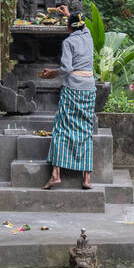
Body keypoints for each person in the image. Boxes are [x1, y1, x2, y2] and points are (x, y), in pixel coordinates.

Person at [44, 11, 97, 189]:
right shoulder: (88, 35)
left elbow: (66, 68)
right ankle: (87, 178)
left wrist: (53, 73)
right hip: (89, 89)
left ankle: (56, 175)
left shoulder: (69, 42)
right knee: (86, 129)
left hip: (73, 88)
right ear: (82, 25)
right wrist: (69, 14)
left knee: (61, 128)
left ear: (68, 27)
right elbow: (82, 25)